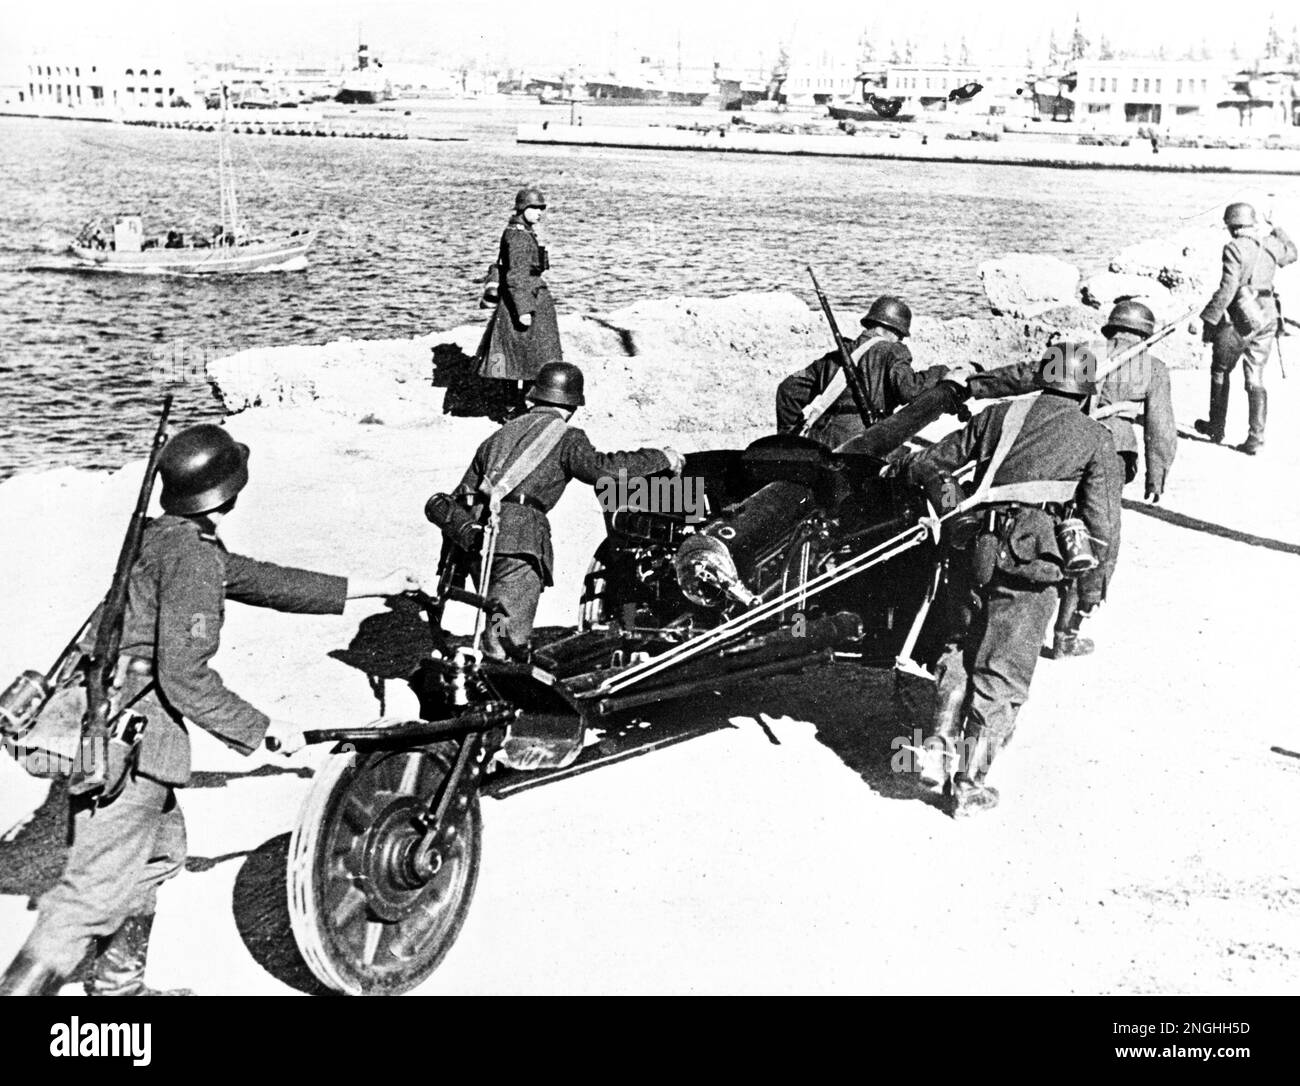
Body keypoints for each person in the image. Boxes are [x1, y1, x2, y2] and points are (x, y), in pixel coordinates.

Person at [0, 425, 420, 996]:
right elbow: (185, 677)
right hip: (128, 741)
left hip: (123, 726)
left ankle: (120, 989)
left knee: (156, 852)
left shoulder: (166, 537)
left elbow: (263, 580)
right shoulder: (192, 558)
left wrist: (374, 587)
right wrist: (265, 730)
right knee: (86, 900)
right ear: (229, 492)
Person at [898, 342, 1123, 817]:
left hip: (972, 549)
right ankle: (968, 785)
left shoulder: (999, 415)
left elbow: (928, 464)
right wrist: (1092, 589)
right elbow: (1102, 525)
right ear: (1086, 391)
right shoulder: (1094, 437)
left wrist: (956, 511)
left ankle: (938, 738)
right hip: (1032, 566)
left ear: (1042, 379)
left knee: (960, 646)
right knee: (1002, 673)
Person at [966, 300, 1174, 657]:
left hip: (1066, 444)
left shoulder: (1084, 354)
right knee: (1091, 535)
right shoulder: (1152, 367)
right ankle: (1067, 633)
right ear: (1145, 334)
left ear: (1111, 328)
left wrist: (975, 385)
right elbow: (1161, 426)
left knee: (1055, 521)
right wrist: (1158, 473)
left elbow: (1025, 374)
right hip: (1114, 452)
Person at [450, 362, 684, 660]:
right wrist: (661, 457)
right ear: (572, 405)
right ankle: (495, 679)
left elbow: (462, 494)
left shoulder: (498, 436)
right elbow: (604, 469)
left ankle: (491, 657)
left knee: (496, 609)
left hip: (478, 538)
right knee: (506, 630)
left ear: (533, 398)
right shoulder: (566, 436)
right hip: (518, 538)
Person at [775, 294, 970, 448]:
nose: (900, 340)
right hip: (860, 442)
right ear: (892, 330)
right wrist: (941, 373)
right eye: (900, 336)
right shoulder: (892, 351)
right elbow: (909, 389)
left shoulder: (834, 358)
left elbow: (788, 390)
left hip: (819, 439)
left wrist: (790, 435)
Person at [1193, 202, 1297, 455]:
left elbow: (1229, 289)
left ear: (1231, 225)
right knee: (1255, 376)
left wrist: (1207, 320)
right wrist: (1278, 228)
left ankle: (1216, 427)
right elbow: (1292, 253)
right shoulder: (1271, 244)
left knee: (1220, 370)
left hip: (1241, 318)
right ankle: (1256, 438)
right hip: (1268, 316)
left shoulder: (1233, 248)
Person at [475, 186, 564, 413]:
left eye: (541, 208)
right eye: (534, 208)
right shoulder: (518, 237)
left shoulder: (519, 232)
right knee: (528, 359)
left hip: (525, 300)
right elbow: (516, 276)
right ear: (523, 208)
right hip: (524, 303)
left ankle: (517, 407)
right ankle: (516, 409)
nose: (539, 212)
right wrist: (523, 310)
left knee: (522, 359)